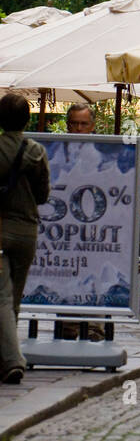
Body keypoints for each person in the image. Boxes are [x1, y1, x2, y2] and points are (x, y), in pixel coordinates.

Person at [0, 93, 50, 383]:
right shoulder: (35, 151)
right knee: (12, 298)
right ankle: (8, 360)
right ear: (27, 119)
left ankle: (11, 360)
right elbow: (43, 194)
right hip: (26, 231)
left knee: (1, 297)